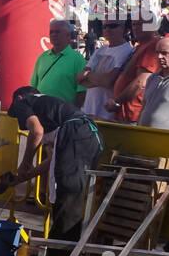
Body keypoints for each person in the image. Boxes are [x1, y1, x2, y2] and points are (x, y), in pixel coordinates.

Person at [6, 85, 103, 241]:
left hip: (75, 133)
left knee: (66, 200)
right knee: (70, 198)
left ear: (18, 98)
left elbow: (36, 131)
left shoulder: (23, 103)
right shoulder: (54, 109)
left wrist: (26, 163)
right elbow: (53, 160)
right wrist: (26, 176)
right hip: (92, 135)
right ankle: (60, 251)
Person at [76, 21, 134, 121]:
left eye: (112, 26)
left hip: (107, 115)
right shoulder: (100, 49)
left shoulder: (127, 50)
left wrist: (88, 76)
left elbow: (109, 81)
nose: (107, 29)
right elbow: (79, 79)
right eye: (105, 26)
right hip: (88, 111)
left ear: (122, 28)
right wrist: (99, 78)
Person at [107, 20, 161, 123]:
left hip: (134, 114)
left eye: (141, 24)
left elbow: (141, 83)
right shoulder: (139, 46)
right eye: (134, 24)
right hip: (124, 113)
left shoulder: (153, 45)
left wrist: (116, 102)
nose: (135, 28)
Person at [29, 19, 86, 104]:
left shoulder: (78, 59)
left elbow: (82, 91)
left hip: (63, 113)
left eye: (57, 32)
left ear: (68, 36)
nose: (53, 35)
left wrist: (73, 112)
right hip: (40, 109)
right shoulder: (42, 57)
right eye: (51, 32)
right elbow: (33, 86)